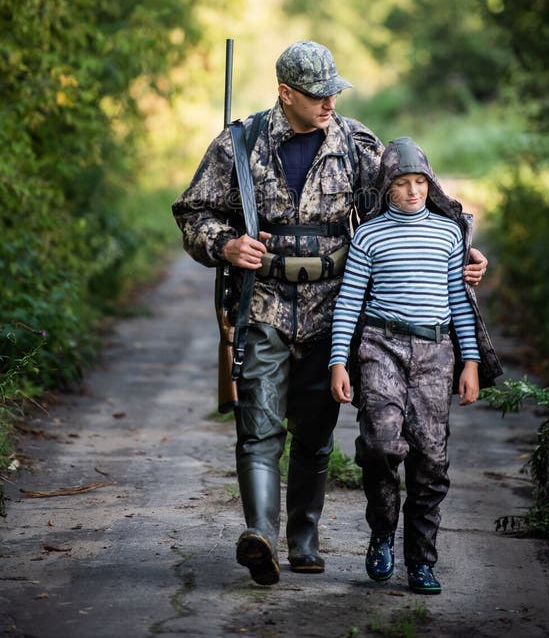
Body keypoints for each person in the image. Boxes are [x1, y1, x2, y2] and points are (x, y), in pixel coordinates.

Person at [172, 42, 489, 587]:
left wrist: (462, 248)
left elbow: (413, 197)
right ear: (285, 93)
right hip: (263, 303)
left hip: (335, 307)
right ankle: (261, 537)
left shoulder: (358, 144)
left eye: (334, 93)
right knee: (259, 426)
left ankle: (303, 540)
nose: (329, 103)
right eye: (318, 95)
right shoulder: (239, 143)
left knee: (316, 432)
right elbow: (194, 212)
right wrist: (225, 245)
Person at [330, 136, 502, 594]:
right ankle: (382, 529)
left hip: (435, 354)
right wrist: (338, 362)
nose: (412, 192)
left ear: (430, 184)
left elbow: (459, 303)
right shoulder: (368, 235)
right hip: (379, 346)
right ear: (387, 187)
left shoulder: (448, 234)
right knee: (382, 445)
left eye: (420, 182)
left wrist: (469, 361)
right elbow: (349, 302)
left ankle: (422, 562)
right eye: (402, 183)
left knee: (430, 460)